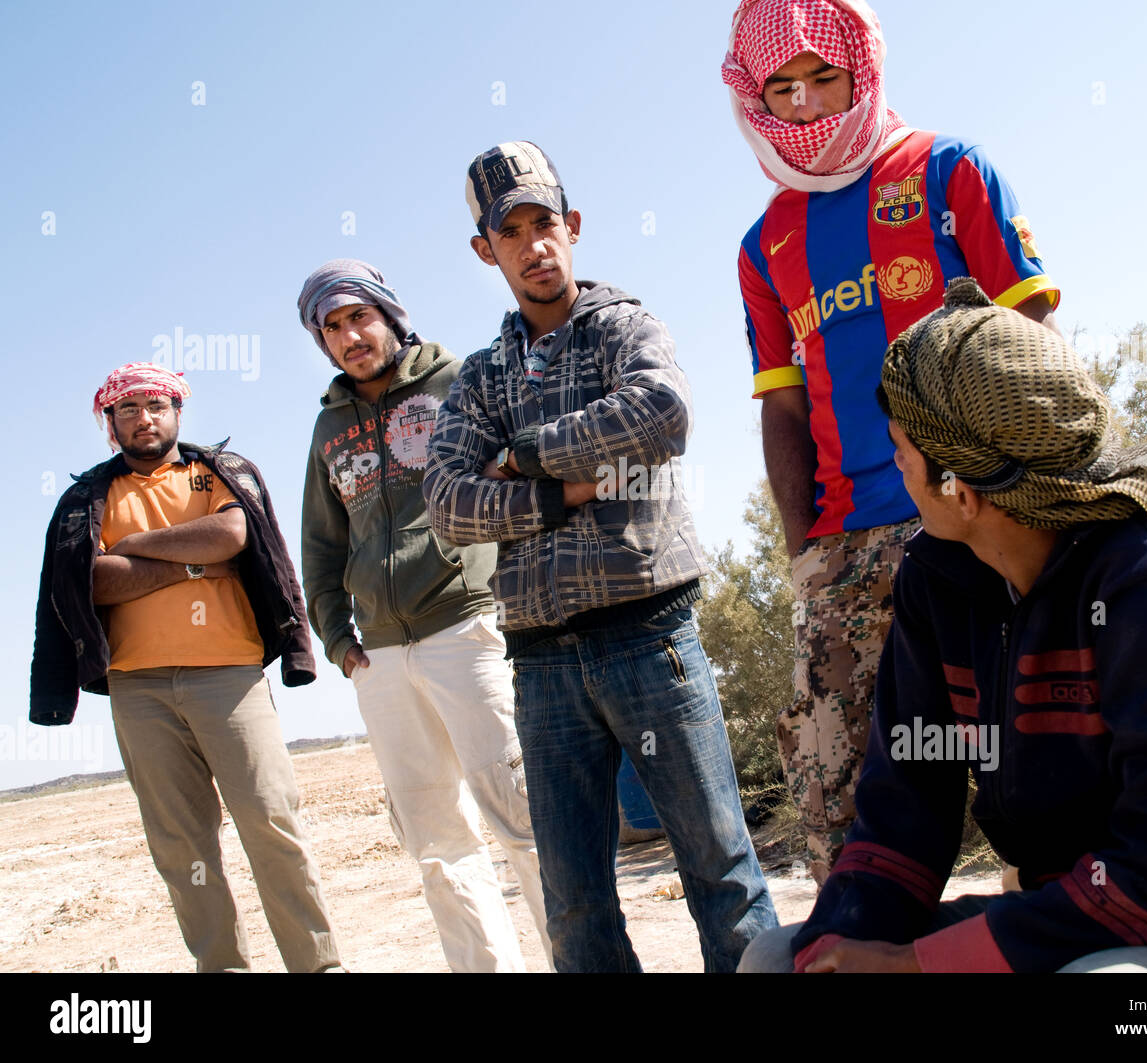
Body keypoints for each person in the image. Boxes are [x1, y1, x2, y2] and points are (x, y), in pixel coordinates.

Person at [739, 279, 1147, 973]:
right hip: (1064, 912)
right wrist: (835, 945)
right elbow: (903, 815)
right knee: (774, 960)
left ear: (962, 492)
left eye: (903, 452)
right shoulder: (938, 582)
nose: (896, 469)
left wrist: (914, 964)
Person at [722, 0, 1063, 884]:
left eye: (822, 78)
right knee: (839, 800)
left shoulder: (951, 169)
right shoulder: (765, 243)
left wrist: (1028, 499)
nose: (803, 105)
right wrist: (804, 552)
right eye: (781, 88)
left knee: (1033, 774)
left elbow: (1032, 332)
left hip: (982, 513)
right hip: (848, 548)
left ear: (861, 67)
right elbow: (782, 406)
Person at [423, 141, 778, 972]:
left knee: (723, 871)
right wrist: (564, 493)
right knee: (575, 898)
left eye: (544, 222)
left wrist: (522, 457)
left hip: (649, 632)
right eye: (510, 232)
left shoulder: (626, 326)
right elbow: (447, 503)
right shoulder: (479, 379)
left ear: (572, 226)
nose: (532, 244)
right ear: (487, 250)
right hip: (541, 659)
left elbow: (658, 415)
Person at [29, 363, 342, 972]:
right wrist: (191, 562)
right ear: (110, 423)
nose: (143, 419)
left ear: (177, 411)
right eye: (127, 410)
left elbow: (230, 534)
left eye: (155, 406)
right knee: (180, 845)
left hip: (229, 675)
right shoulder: (85, 499)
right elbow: (92, 579)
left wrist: (133, 549)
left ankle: (320, 966)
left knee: (272, 821)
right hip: (136, 686)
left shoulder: (220, 473)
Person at [297, 259, 550, 973]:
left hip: (469, 628)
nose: (350, 336)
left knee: (526, 820)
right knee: (437, 843)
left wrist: (510, 595)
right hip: (380, 658)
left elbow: (521, 474)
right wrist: (341, 642)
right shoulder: (326, 429)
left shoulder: (458, 382)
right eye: (332, 328)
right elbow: (321, 545)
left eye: (358, 317)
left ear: (390, 314)